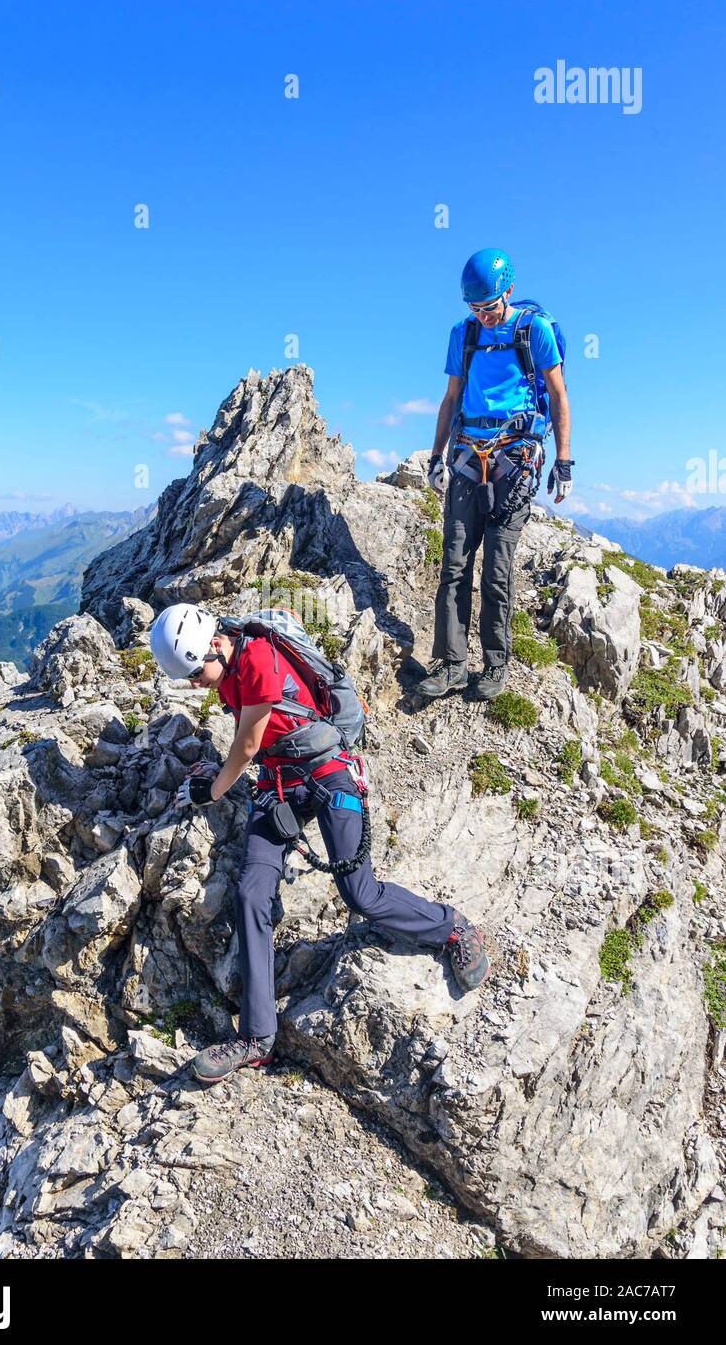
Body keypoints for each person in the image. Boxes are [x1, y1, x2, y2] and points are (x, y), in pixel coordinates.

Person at [150, 601, 491, 1085]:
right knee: (251, 893)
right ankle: (257, 1039)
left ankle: (453, 929)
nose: (194, 684)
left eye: (195, 671)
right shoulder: (227, 664)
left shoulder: (257, 657)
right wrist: (222, 771)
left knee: (359, 892)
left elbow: (247, 745)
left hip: (329, 769)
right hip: (279, 781)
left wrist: (214, 787)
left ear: (215, 644)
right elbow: (254, 739)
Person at [417, 248, 574, 703]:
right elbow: (450, 399)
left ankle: (496, 665)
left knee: (497, 569)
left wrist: (563, 463)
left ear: (508, 292)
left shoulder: (533, 330)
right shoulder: (462, 334)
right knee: (454, 563)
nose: (483, 316)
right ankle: (450, 663)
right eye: (474, 307)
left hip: (516, 458)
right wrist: (435, 457)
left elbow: (560, 397)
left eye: (489, 306)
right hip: (467, 455)